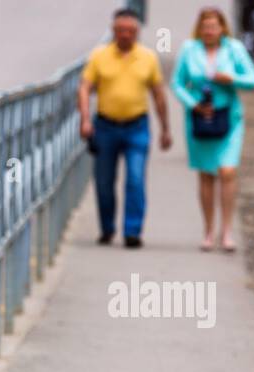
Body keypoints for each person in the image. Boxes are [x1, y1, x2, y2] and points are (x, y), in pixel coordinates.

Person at [78, 7, 173, 248]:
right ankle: (107, 228)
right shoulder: (99, 56)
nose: (125, 35)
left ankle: (132, 231)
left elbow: (159, 94)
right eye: (121, 30)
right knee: (104, 182)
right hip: (105, 126)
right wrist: (85, 119)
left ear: (137, 32)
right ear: (113, 30)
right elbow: (85, 88)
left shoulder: (148, 57)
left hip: (136, 127)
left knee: (135, 179)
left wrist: (165, 129)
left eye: (130, 30)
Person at [171, 7, 254, 252]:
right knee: (206, 174)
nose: (209, 31)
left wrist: (231, 79)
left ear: (222, 28)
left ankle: (227, 231)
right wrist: (193, 104)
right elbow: (177, 83)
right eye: (205, 27)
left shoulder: (234, 49)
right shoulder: (189, 49)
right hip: (201, 118)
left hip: (229, 118)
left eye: (213, 26)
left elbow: (253, 80)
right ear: (199, 29)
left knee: (227, 171)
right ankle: (208, 231)